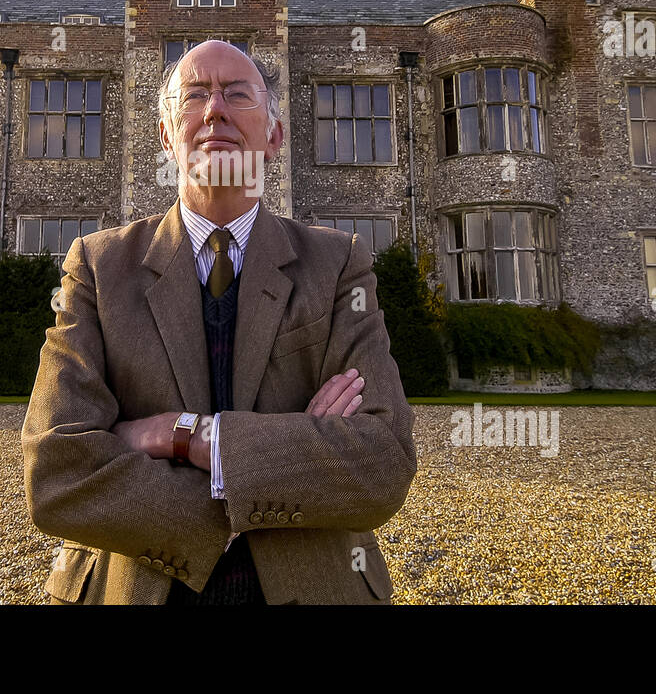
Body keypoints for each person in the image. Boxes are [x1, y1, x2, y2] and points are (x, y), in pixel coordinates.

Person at [21, 40, 417, 604]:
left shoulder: (337, 264)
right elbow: (56, 472)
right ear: (165, 135)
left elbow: (382, 461)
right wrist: (283, 465)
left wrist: (177, 437)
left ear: (274, 136)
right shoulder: (98, 265)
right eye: (195, 95)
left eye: (237, 94)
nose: (215, 110)